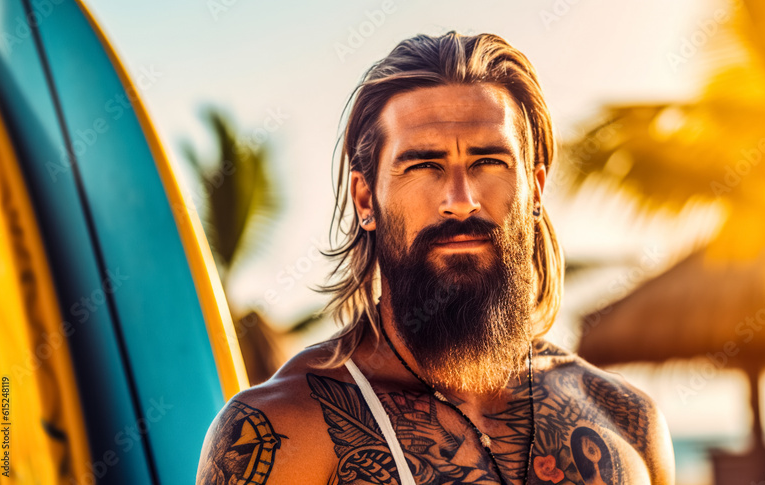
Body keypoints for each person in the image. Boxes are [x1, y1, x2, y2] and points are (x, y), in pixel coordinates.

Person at [196, 31, 675, 485]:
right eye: (424, 165)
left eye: (489, 162)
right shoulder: (282, 433)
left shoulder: (626, 419)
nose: (461, 200)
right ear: (367, 201)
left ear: (535, 191)